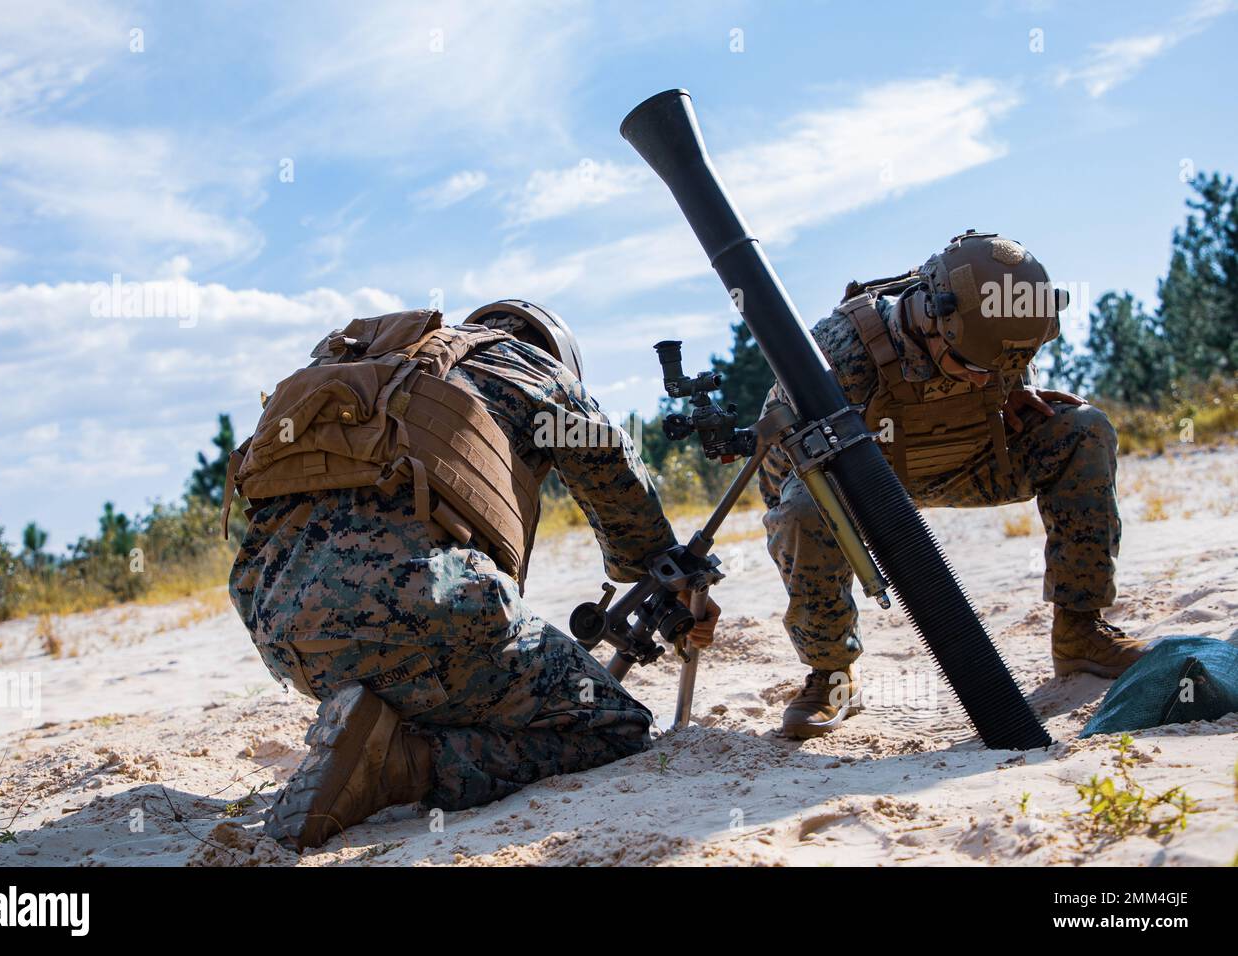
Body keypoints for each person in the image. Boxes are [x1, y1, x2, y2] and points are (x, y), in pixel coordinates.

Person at [224, 299, 717, 850]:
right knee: (615, 725)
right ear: (554, 350)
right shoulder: (527, 365)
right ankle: (406, 765)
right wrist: (662, 568)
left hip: (282, 633)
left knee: (444, 668)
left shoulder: (365, 362)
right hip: (423, 618)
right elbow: (610, 469)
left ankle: (373, 724)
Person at [758, 231, 1144, 739]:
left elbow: (1002, 364)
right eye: (975, 368)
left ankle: (1079, 632)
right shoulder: (839, 354)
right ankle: (831, 673)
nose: (988, 380)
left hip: (973, 460)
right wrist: (798, 515)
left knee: (1084, 431)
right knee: (803, 510)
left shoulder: (996, 318)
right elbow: (776, 467)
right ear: (931, 321)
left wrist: (1018, 387)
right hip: (867, 483)